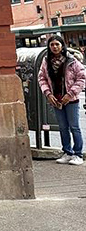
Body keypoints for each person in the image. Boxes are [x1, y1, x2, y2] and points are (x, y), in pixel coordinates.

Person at [38, 34, 86, 165]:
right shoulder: (46, 61)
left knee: (74, 127)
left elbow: (81, 78)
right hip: (56, 99)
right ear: (49, 46)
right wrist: (48, 93)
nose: (54, 47)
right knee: (63, 127)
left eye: (57, 44)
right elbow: (41, 78)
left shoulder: (71, 60)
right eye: (52, 44)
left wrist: (70, 94)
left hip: (71, 99)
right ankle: (67, 152)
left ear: (62, 45)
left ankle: (78, 154)